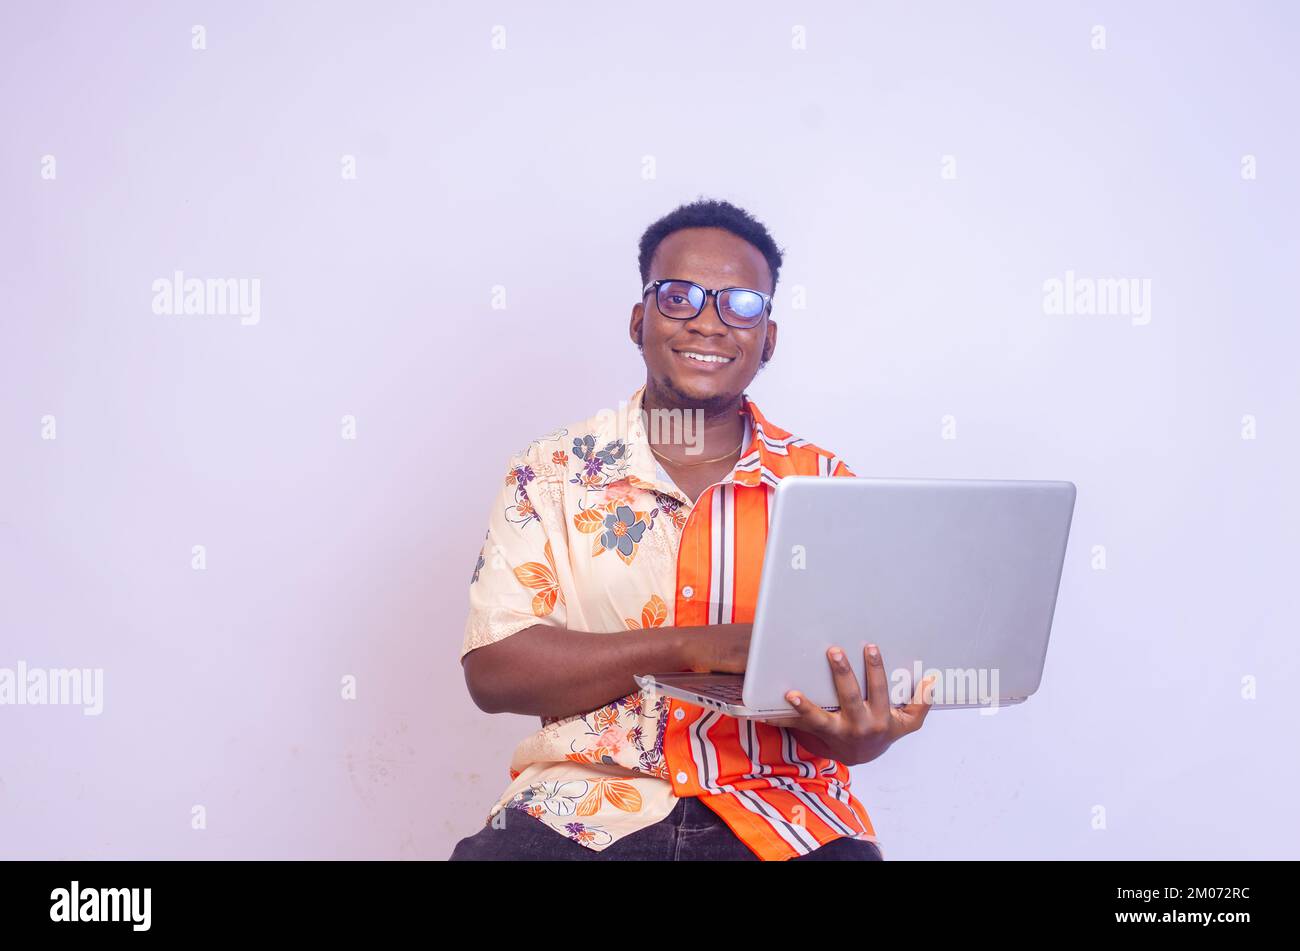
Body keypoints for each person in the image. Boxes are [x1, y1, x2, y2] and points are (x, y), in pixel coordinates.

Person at [451, 198, 934, 861]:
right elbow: (495, 671)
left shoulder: (825, 485)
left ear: (768, 336)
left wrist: (866, 734)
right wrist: (693, 645)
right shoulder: (552, 470)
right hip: (581, 810)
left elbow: (844, 717)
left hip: (781, 808)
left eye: (740, 303)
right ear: (638, 319)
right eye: (679, 296)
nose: (708, 321)